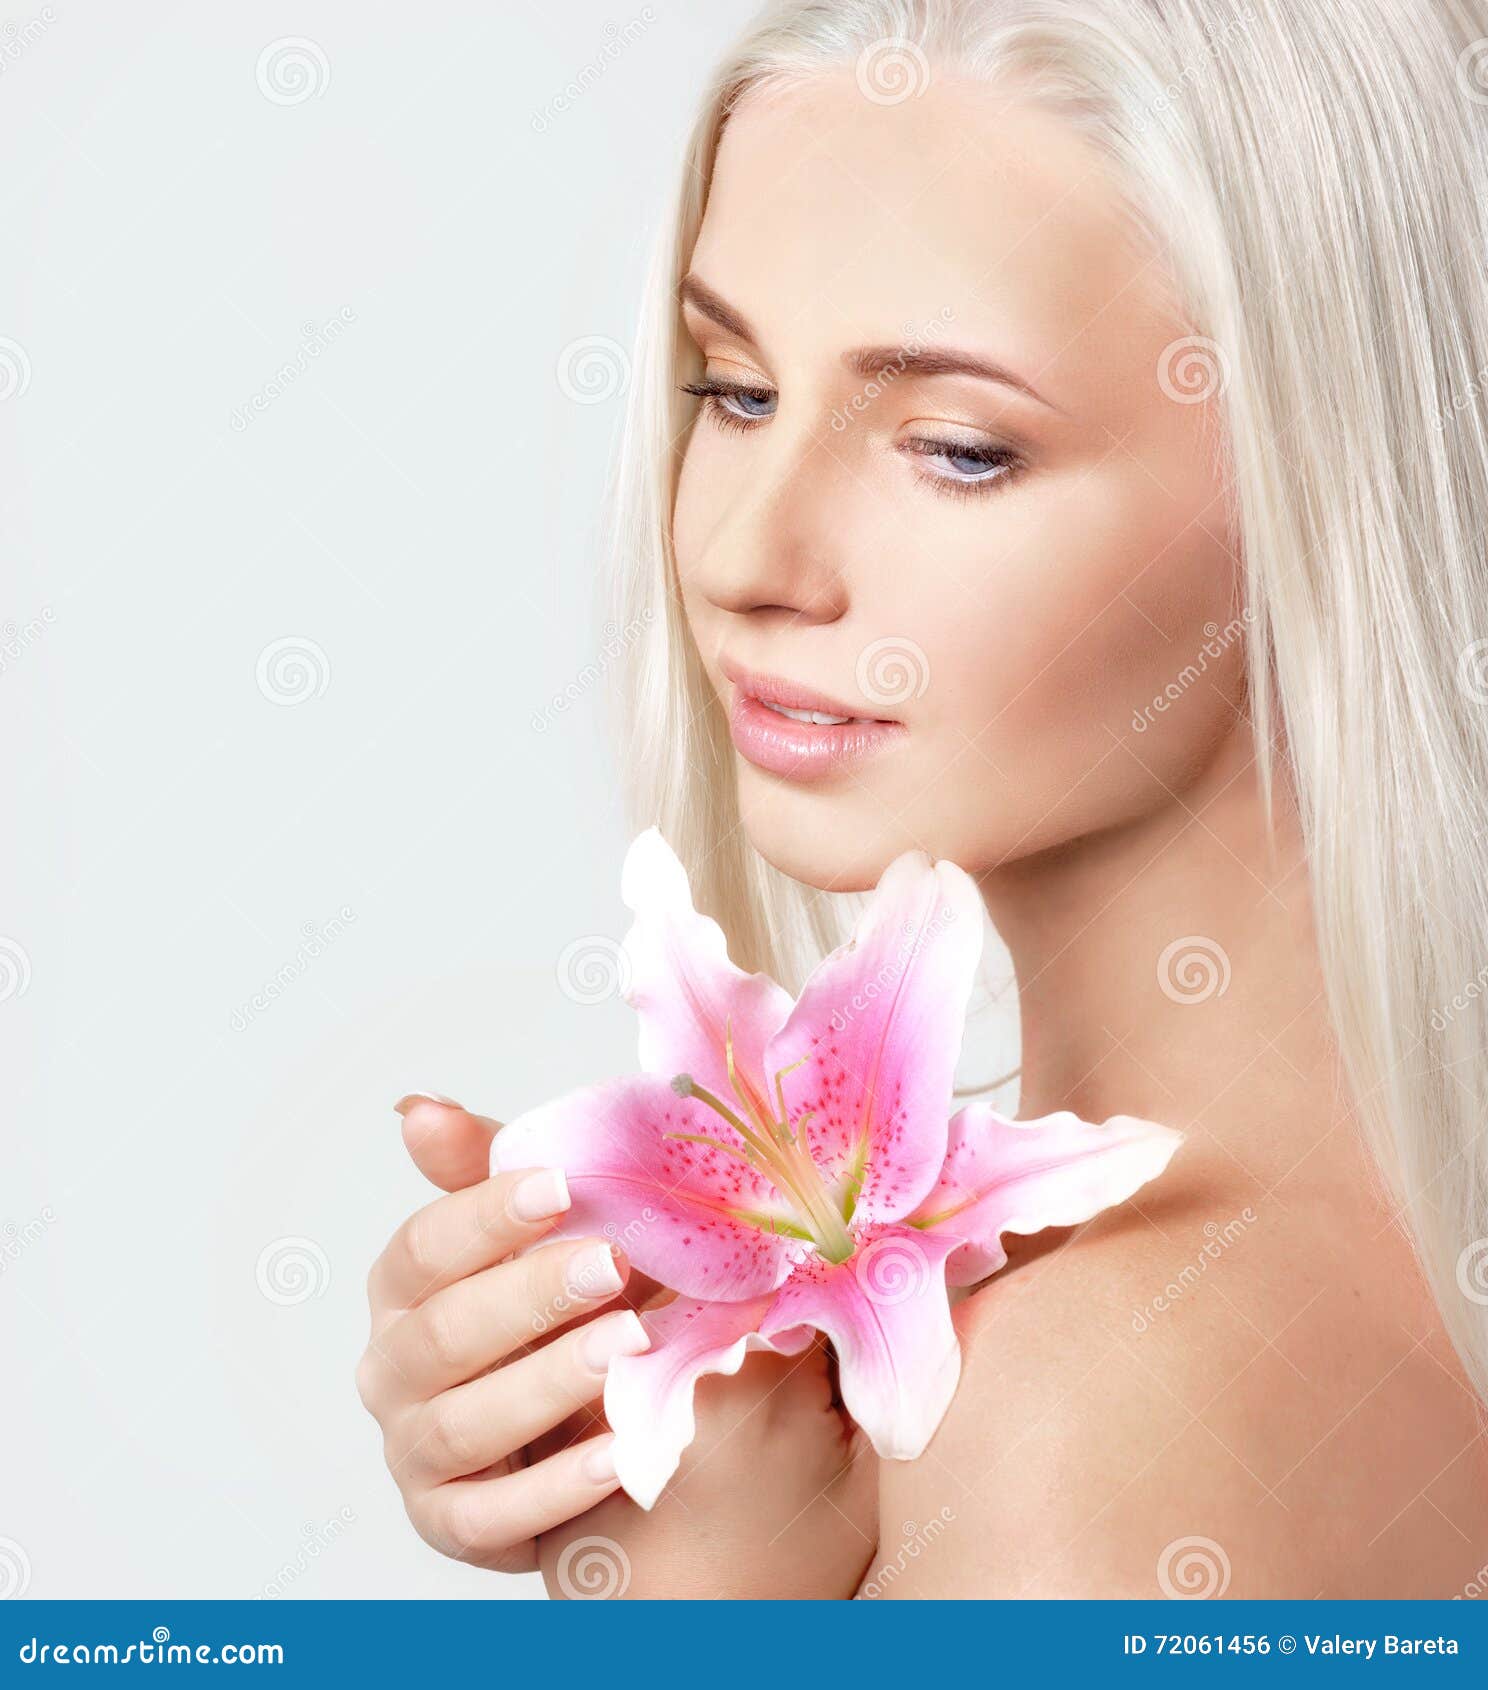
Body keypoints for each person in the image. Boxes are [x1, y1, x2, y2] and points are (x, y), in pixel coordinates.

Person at [356, 0, 1488, 1597]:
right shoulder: (1363, 1265)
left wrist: (696, 1608)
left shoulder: (1067, 1415)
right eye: (735, 390)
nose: (744, 557)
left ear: (1335, 485)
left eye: (957, 449)